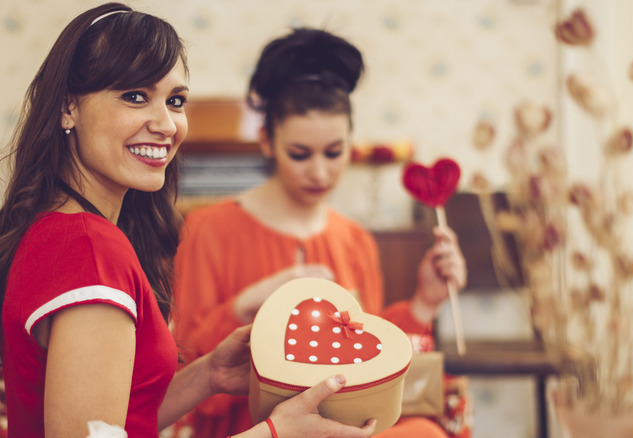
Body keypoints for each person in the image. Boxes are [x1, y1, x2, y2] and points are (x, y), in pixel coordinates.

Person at [0, 4, 378, 438]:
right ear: (68, 108)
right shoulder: (89, 248)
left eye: (175, 101)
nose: (166, 124)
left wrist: (206, 374)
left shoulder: (61, 232)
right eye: (135, 96)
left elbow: (116, 422)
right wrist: (276, 433)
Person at [171, 28, 472, 438]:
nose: (319, 172)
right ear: (266, 140)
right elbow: (184, 367)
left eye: (334, 152)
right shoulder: (210, 230)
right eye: (300, 154)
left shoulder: (353, 240)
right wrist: (246, 304)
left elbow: (370, 359)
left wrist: (424, 302)